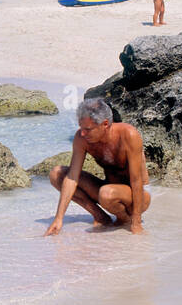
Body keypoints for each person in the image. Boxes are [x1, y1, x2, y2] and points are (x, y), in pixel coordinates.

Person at [46, 98, 150, 235]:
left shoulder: (128, 135)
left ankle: (126, 219)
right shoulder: (82, 138)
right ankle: (101, 217)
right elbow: (72, 177)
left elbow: (137, 180)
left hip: (139, 194)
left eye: (88, 129)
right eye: (80, 127)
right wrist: (59, 219)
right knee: (56, 174)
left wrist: (136, 222)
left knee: (106, 193)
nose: (82, 133)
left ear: (105, 124)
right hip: (109, 187)